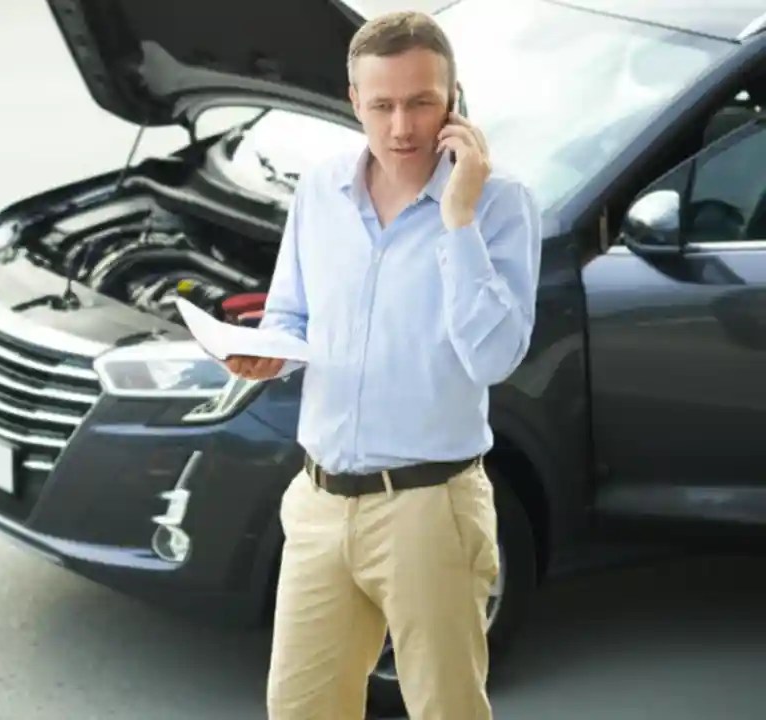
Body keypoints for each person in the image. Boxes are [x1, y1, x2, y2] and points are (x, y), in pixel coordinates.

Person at [225, 11, 542, 720]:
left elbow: (494, 357)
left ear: (455, 102)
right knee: (300, 709)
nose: (403, 126)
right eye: (383, 105)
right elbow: (290, 318)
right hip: (318, 505)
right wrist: (263, 356)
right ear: (353, 102)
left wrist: (458, 221)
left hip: (430, 511)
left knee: (445, 710)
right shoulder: (320, 190)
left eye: (422, 102)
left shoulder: (501, 206)